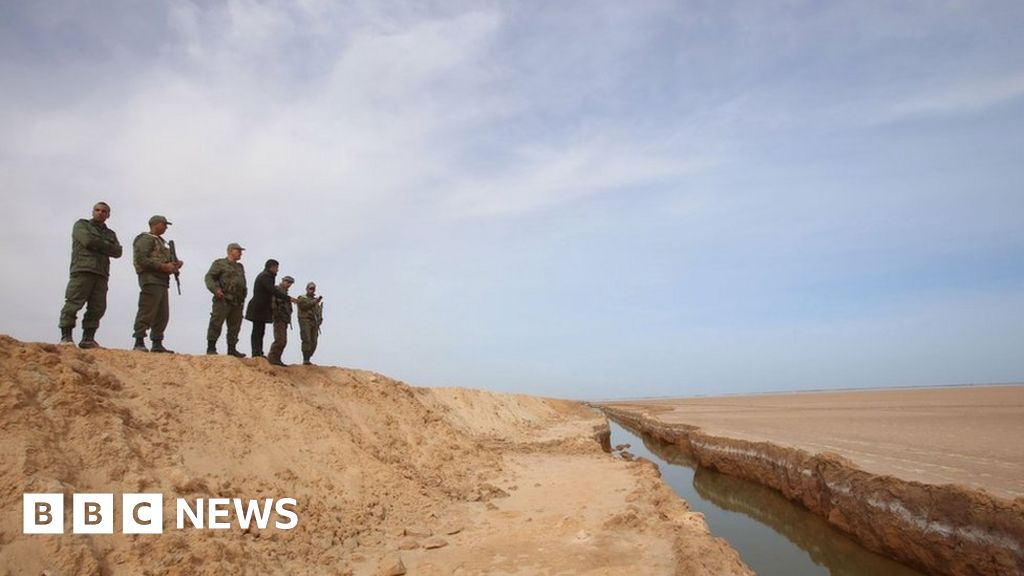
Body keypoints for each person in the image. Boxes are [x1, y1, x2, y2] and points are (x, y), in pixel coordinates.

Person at [58, 202, 123, 348]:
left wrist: (99, 244)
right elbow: (87, 240)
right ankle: (66, 336)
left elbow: (118, 252)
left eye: (104, 211)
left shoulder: (110, 233)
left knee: (97, 307)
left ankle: (88, 338)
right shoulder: (82, 225)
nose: (100, 213)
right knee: (74, 302)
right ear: (93, 211)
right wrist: (106, 246)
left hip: (101, 273)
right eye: (97, 210)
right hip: (83, 269)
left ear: (108, 215)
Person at [132, 215, 183, 353]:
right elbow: (141, 259)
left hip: (162, 281)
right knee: (147, 310)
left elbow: (165, 260)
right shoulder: (145, 239)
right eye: (164, 224)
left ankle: (157, 342)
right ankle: (139, 340)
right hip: (150, 279)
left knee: (162, 314)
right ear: (156, 224)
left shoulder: (161, 242)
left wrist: (174, 265)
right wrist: (162, 267)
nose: (166, 227)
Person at [204, 242, 248, 357]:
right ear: (230, 251)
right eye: (238, 251)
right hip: (223, 299)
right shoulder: (220, 263)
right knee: (216, 322)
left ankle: (232, 349)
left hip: (237, 301)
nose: (240, 253)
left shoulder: (240, 266)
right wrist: (215, 289)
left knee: (235, 327)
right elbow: (209, 277)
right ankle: (211, 347)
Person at [244, 259, 292, 358]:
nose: (277, 270)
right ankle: (256, 352)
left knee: (260, 330)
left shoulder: (268, 276)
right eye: (276, 268)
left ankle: (259, 352)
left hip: (262, 308)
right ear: (272, 267)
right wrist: (289, 298)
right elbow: (272, 290)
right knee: (257, 330)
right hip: (258, 307)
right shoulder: (265, 276)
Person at [267, 275, 296, 367]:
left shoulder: (285, 293)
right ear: (283, 281)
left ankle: (277, 358)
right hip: (279, 318)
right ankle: (272, 358)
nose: (288, 284)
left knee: (283, 341)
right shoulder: (277, 290)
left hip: (284, 319)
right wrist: (275, 314)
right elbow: (273, 303)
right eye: (287, 282)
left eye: (290, 283)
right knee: (280, 340)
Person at [296, 281, 323, 365]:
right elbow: (303, 306)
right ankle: (306, 359)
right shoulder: (302, 298)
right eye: (310, 288)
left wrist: (320, 319)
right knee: (306, 339)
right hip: (305, 320)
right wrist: (315, 301)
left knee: (314, 342)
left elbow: (318, 312)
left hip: (314, 322)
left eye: (313, 289)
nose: (312, 290)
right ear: (307, 289)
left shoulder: (315, 301)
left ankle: (308, 357)